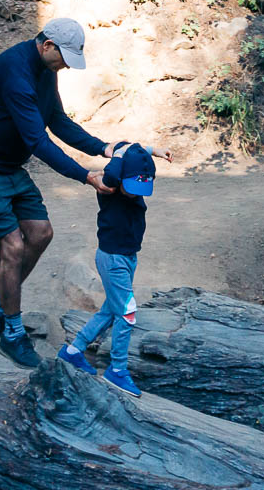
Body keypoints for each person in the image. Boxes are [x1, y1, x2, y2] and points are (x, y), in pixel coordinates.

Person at [0, 18, 165, 368]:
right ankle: (13, 333)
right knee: (13, 245)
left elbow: (57, 121)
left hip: (6, 166)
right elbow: (37, 140)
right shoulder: (15, 72)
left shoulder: (46, 72)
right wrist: (84, 176)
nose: (65, 65)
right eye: (63, 57)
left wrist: (104, 148)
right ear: (47, 44)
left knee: (40, 233)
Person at [57, 141, 162, 396]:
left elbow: (134, 153)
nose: (137, 192)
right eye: (133, 185)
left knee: (110, 310)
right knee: (126, 313)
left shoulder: (132, 185)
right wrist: (121, 152)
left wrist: (151, 150)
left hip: (126, 257)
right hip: (113, 260)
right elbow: (116, 166)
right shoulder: (108, 186)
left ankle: (72, 351)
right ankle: (117, 370)